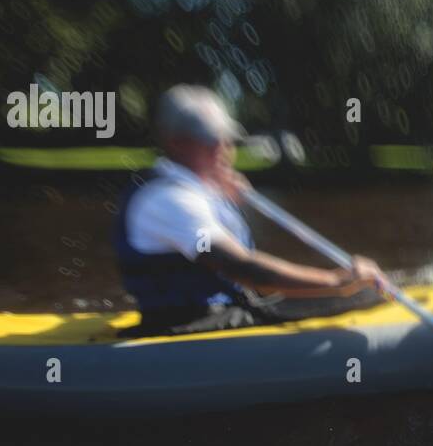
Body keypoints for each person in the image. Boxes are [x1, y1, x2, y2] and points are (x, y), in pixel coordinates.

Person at [113, 85, 385, 336]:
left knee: (365, 294)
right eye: (210, 140)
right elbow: (241, 266)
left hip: (218, 310)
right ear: (176, 142)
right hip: (189, 323)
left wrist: (216, 195)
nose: (223, 149)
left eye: (226, 138)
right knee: (358, 295)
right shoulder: (169, 198)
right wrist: (336, 280)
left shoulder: (193, 187)